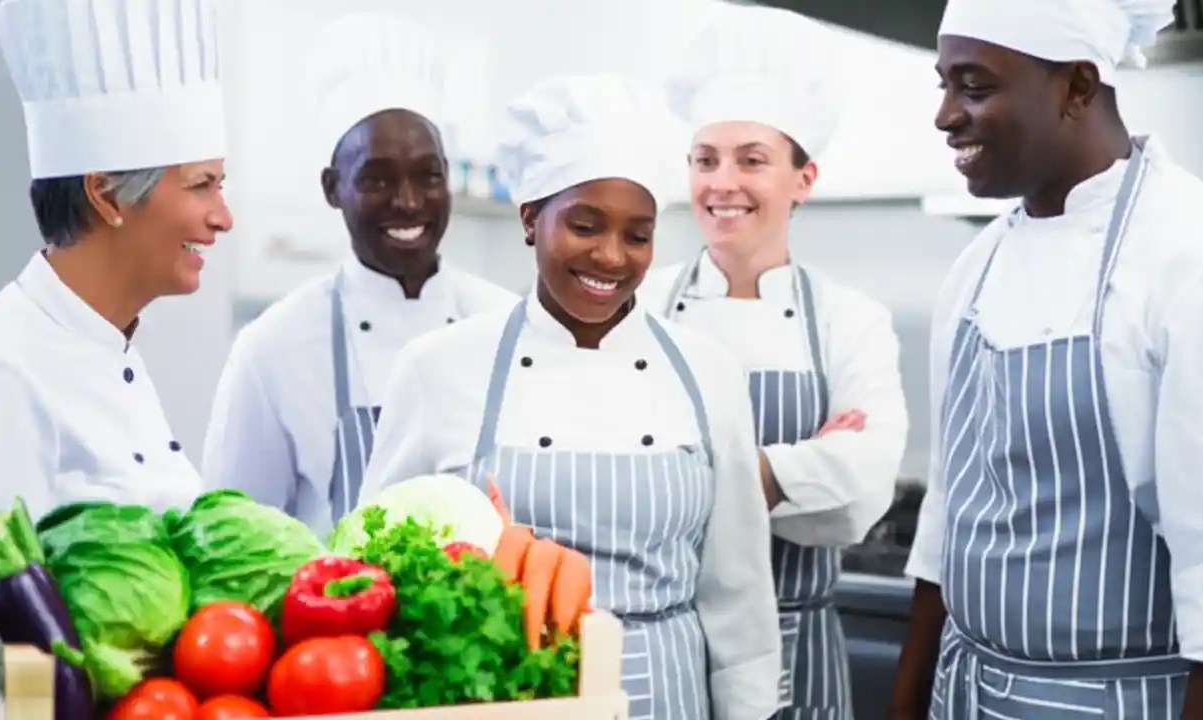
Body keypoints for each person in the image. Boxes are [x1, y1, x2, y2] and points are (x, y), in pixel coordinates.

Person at [889, 1, 1203, 717]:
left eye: (973, 86)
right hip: (963, 691)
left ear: (1077, 87)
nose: (945, 115)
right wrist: (907, 702)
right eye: (943, 84)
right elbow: (947, 515)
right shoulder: (978, 265)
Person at [358, 74, 782, 720]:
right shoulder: (438, 369)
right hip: (503, 697)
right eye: (585, 226)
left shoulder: (709, 373)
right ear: (531, 217)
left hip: (667, 699)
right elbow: (374, 568)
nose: (611, 257)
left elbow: (739, 597)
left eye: (637, 235)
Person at [642, 7, 910, 717]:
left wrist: (695, 477)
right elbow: (615, 485)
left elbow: (860, 493)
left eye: (752, 159)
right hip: (673, 649)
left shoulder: (851, 320)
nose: (722, 183)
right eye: (706, 159)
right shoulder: (638, 311)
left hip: (805, 642)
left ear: (804, 178)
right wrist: (792, 469)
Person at [201, 12, 516, 538]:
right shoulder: (272, 350)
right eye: (376, 179)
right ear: (332, 188)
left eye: (428, 176)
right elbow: (233, 539)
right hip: (330, 619)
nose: (409, 202)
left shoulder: (506, 325)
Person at [0, 0, 233, 519]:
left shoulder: (112, 350)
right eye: (201, 186)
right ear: (105, 195)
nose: (223, 217)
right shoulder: (6, 370)